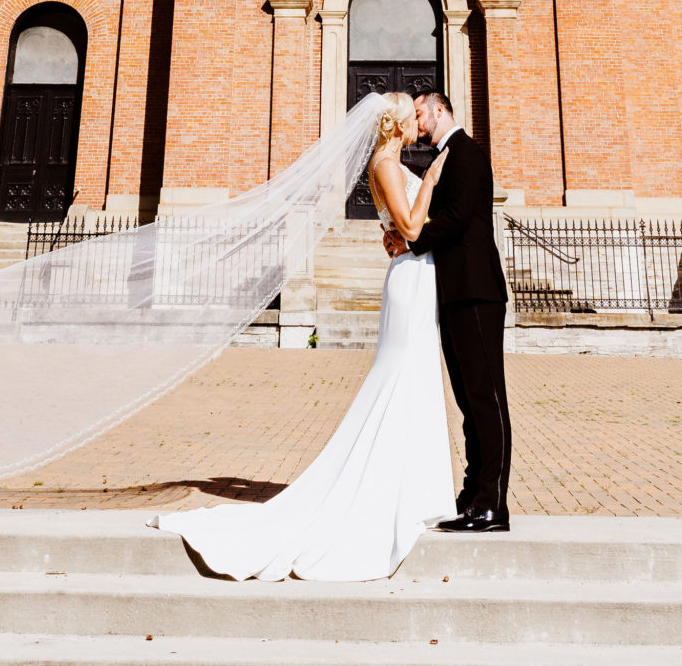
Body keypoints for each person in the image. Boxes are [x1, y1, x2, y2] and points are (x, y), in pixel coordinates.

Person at [153, 91, 456, 580]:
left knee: (413, 380)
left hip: (416, 277)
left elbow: (401, 229)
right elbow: (412, 226)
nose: (416, 120)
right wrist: (433, 182)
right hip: (410, 277)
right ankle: (387, 490)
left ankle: (414, 487)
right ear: (394, 125)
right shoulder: (384, 163)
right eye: (409, 114)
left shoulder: (389, 161)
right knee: (398, 379)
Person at [384, 89, 511, 532]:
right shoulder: (445, 156)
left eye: (419, 113)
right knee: (468, 400)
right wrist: (404, 236)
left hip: (476, 292)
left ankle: (492, 503)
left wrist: (413, 240)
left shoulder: (466, 154)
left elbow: (456, 219)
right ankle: (473, 497)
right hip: (454, 292)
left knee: (486, 398)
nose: (416, 122)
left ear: (439, 110)